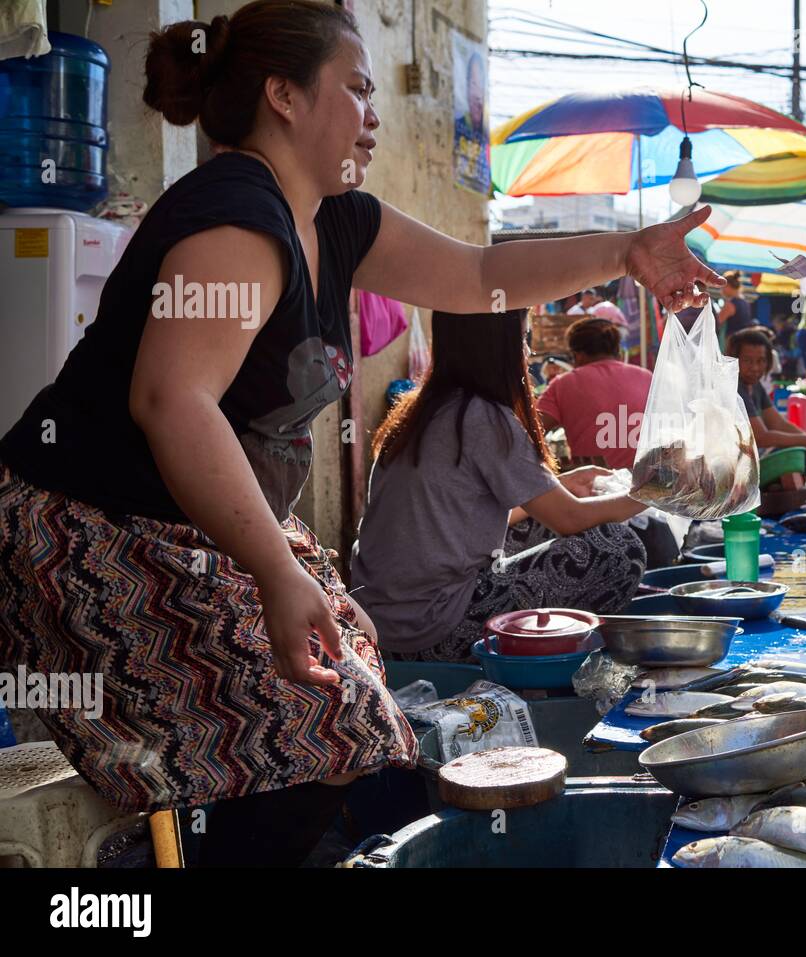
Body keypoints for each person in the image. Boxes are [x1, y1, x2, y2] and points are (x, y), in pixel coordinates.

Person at [0, 1, 720, 866]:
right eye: (356, 89)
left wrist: (629, 251)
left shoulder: (337, 219)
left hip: (190, 523)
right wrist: (273, 569)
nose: (373, 115)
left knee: (353, 687)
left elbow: (483, 274)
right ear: (285, 97)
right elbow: (172, 402)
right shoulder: (235, 217)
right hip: (93, 524)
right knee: (331, 720)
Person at [351, 310, 647, 663]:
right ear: (498, 348)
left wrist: (559, 485)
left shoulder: (422, 410)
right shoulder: (482, 417)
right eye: (523, 340)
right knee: (618, 548)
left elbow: (461, 522)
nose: (528, 353)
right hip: (433, 628)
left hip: (382, 622)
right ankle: (542, 667)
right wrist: (655, 493)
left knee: (542, 521)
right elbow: (570, 518)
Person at [537, 317, 652, 470]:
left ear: (578, 355)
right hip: (647, 482)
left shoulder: (562, 384)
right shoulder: (646, 377)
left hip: (595, 486)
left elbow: (533, 431)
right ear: (617, 350)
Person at [729, 329, 806, 482]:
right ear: (735, 359)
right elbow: (761, 437)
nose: (755, 368)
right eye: (747, 360)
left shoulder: (756, 386)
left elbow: (777, 423)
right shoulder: (736, 388)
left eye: (761, 361)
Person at [715, 270, 753, 340]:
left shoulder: (731, 304)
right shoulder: (745, 302)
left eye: (723, 286)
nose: (721, 290)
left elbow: (716, 323)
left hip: (733, 342)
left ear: (728, 285)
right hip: (744, 340)